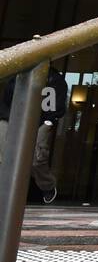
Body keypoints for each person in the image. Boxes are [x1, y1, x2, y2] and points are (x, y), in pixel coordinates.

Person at [0, 64, 68, 203]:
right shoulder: (18, 76)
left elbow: (58, 105)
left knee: (36, 159)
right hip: (12, 119)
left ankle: (47, 186)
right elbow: (6, 101)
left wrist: (49, 121)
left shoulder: (55, 79)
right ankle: (5, 189)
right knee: (4, 156)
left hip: (41, 120)